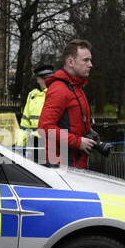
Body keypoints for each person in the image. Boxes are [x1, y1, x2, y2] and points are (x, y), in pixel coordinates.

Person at [38, 40, 96, 169]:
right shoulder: (60, 89)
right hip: (61, 166)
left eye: (90, 60)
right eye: (86, 60)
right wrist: (78, 142)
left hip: (73, 164)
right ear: (71, 62)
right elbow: (45, 127)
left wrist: (89, 134)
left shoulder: (76, 88)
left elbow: (73, 125)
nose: (90, 65)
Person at [19, 62, 55, 161]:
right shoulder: (32, 95)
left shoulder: (55, 94)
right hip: (33, 143)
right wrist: (20, 146)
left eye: (48, 78)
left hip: (50, 142)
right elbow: (24, 124)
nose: (45, 81)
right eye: (42, 79)